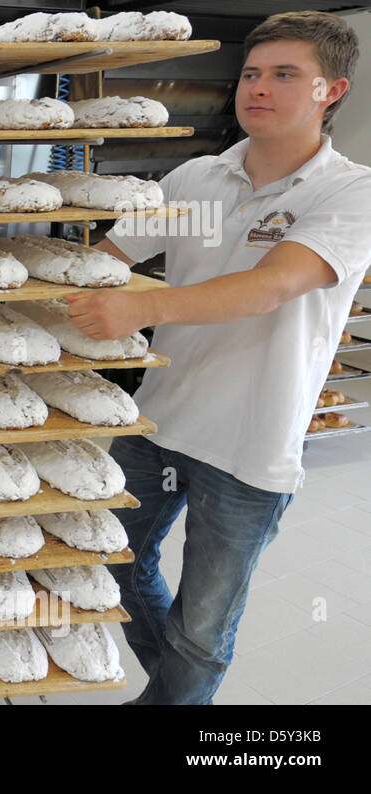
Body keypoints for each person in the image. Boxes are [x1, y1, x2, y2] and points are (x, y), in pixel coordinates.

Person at [66, 11, 370, 704]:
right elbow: (112, 259)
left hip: (252, 445)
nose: (258, 88)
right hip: (160, 424)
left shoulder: (349, 191)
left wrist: (141, 308)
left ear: (332, 90)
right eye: (252, 74)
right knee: (110, 560)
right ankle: (174, 691)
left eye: (285, 75)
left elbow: (272, 286)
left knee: (204, 627)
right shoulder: (200, 177)